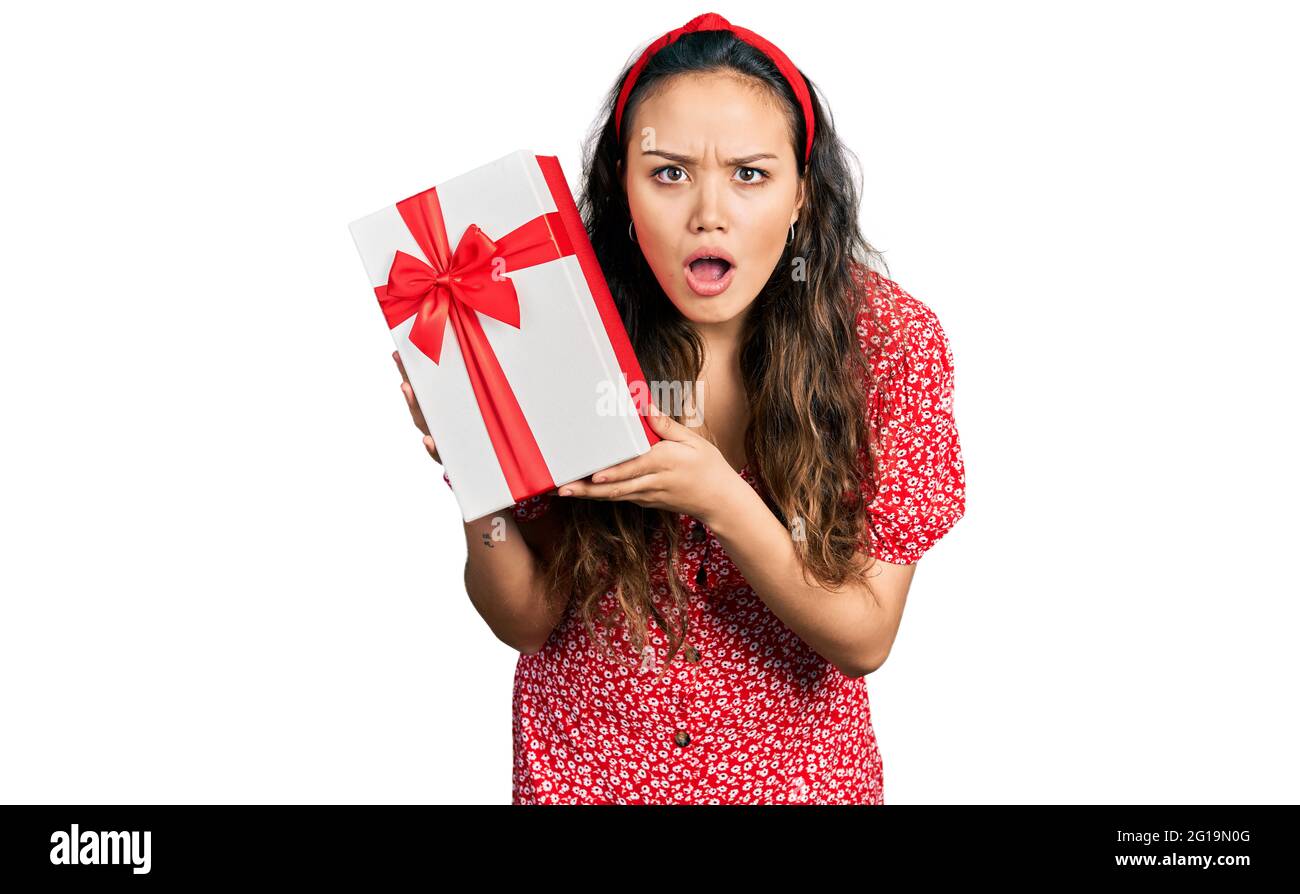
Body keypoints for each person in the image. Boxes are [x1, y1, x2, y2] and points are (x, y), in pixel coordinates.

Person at [394, 12, 966, 805]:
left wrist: (719, 498)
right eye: (668, 172)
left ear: (803, 194)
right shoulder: (554, 325)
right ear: (621, 187)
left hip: (802, 784)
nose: (709, 212)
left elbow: (865, 635)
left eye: (750, 174)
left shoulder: (888, 342)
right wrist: (477, 473)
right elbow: (527, 620)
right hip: (584, 778)